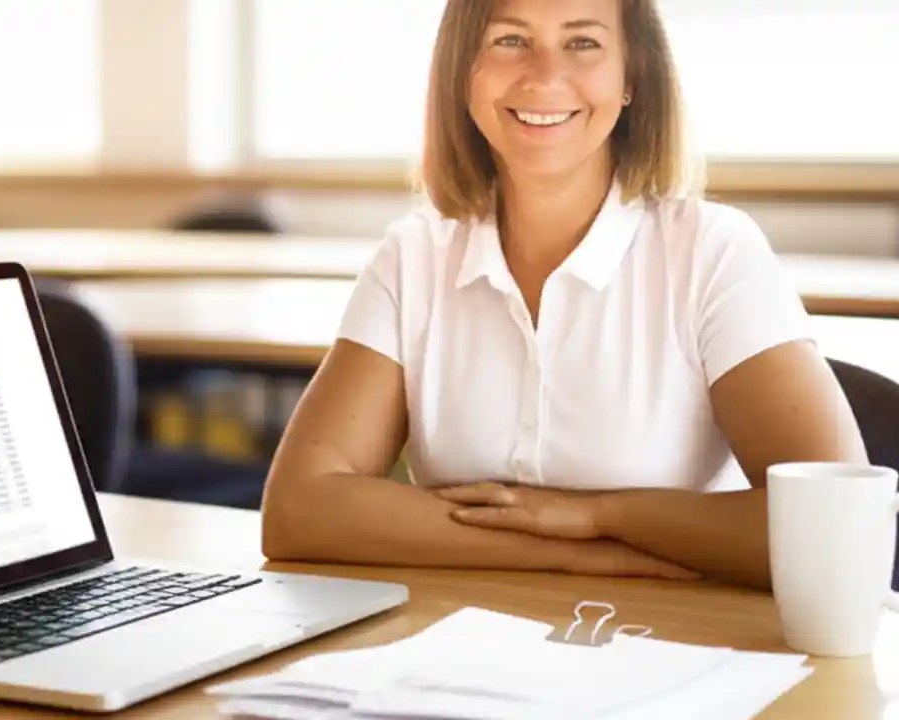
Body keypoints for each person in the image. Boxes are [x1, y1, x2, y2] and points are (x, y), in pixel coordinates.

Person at [260, 0, 866, 589]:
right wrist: (578, 556)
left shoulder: (713, 251)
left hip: (664, 645)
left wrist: (600, 515)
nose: (546, 75)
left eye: (584, 42)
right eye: (509, 40)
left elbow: (837, 529)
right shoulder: (413, 254)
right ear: (461, 74)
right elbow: (298, 510)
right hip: (459, 649)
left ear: (633, 76)